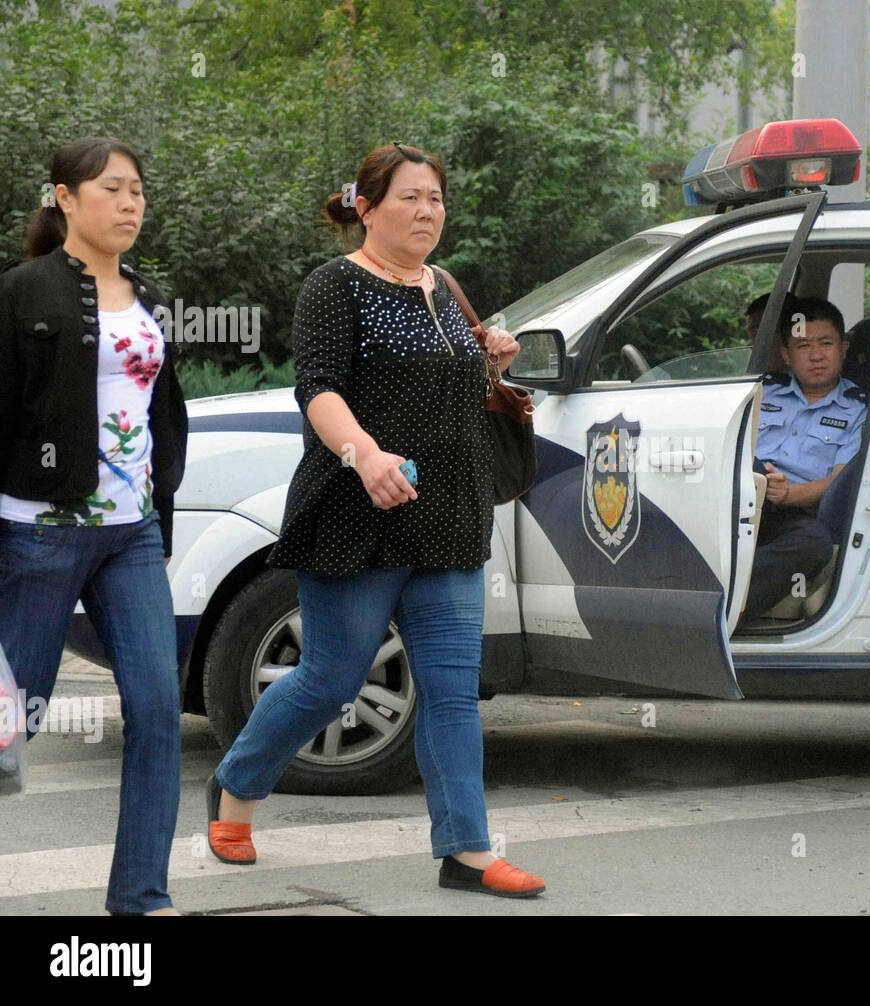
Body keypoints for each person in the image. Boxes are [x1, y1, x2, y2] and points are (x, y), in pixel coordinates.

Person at [206, 142, 545, 898]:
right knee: (331, 679)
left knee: (453, 690)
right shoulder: (336, 287)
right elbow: (317, 388)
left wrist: (492, 357)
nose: (428, 211)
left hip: (450, 517)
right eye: (410, 198)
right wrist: (365, 455)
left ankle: (466, 850)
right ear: (366, 205)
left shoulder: (447, 287)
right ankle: (236, 786)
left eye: (436, 198)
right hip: (359, 514)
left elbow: (453, 391)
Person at [0, 137, 189, 915]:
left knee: (156, 710)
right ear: (65, 199)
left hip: (130, 533)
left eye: (138, 190)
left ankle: (142, 898)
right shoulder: (19, 293)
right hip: (39, 532)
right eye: (112, 189)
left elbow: (160, 413)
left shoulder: (146, 295)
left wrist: (159, 498)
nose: (130, 203)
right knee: (14, 722)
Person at [740, 297, 866, 623]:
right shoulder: (760, 392)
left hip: (794, 514)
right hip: (739, 499)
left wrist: (788, 494)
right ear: (785, 354)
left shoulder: (859, 409)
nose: (816, 355)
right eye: (803, 345)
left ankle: (728, 607)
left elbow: (839, 482)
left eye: (826, 343)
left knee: (814, 544)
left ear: (844, 348)